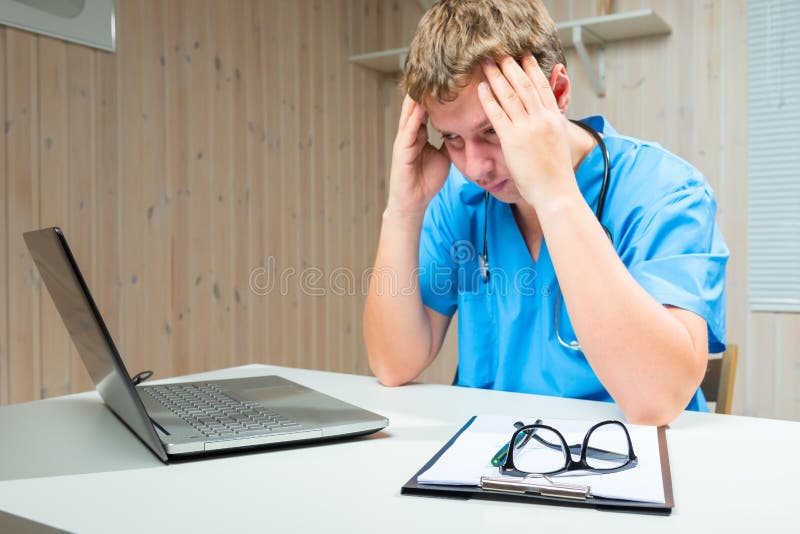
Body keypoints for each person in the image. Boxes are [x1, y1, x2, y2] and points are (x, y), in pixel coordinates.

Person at [363, 0, 728, 426]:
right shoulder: (460, 200)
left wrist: (555, 193)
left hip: (626, 458)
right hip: (494, 459)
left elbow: (657, 400)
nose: (476, 166)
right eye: (453, 139)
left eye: (492, 130)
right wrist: (402, 210)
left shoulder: (665, 191)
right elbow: (394, 363)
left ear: (556, 94)